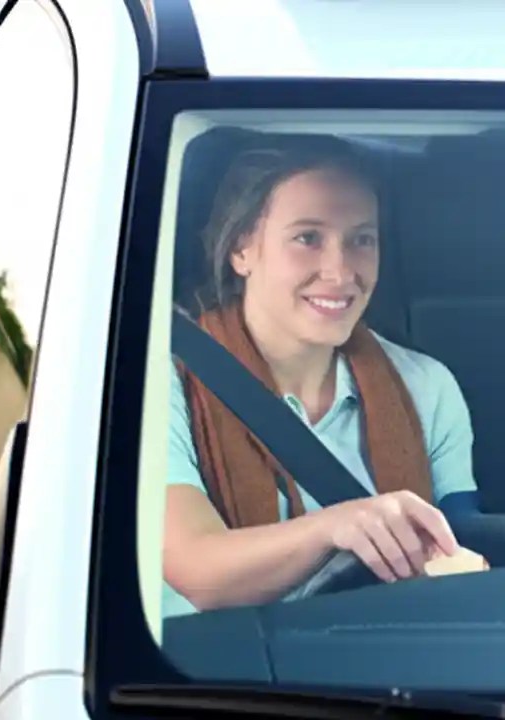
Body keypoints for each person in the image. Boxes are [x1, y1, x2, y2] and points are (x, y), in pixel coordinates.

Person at [162, 137, 481, 617]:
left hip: (382, 654)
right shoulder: (164, 383)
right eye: (307, 238)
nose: (340, 271)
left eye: (361, 240)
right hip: (213, 660)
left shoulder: (427, 387)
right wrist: (336, 527)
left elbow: (460, 556)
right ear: (242, 249)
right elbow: (197, 573)